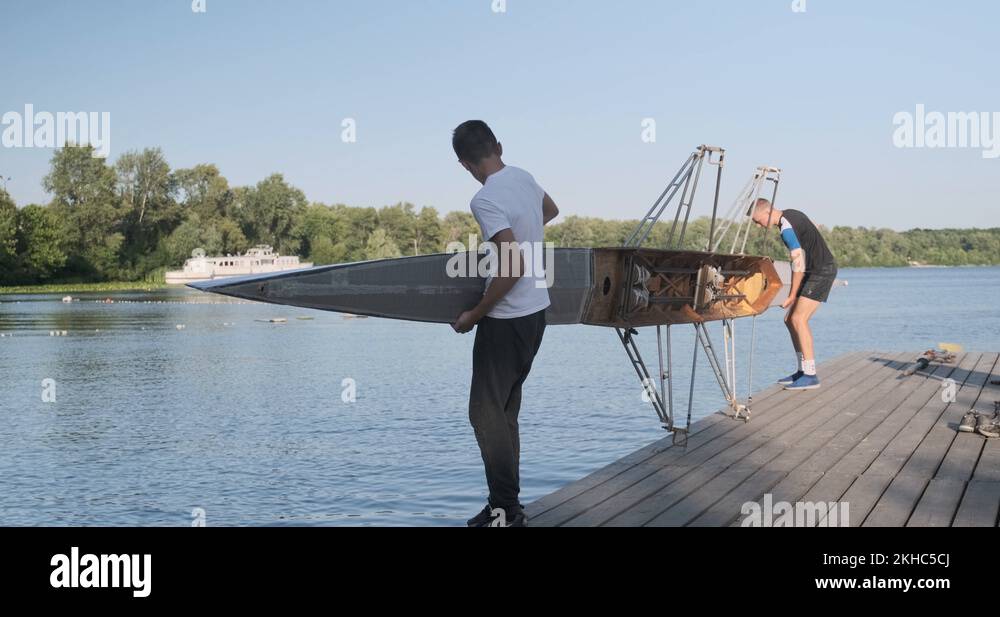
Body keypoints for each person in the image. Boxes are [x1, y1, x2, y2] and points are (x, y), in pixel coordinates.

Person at [450, 120, 560, 527]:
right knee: (505, 411)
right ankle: (504, 505)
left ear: (463, 163)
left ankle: (506, 510)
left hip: (507, 318)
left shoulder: (485, 199)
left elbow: (510, 266)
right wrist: (526, 235)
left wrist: (473, 316)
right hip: (537, 314)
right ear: (498, 145)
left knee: (485, 413)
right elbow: (551, 210)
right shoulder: (523, 178)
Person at [751, 198, 838, 391]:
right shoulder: (791, 213)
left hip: (822, 271)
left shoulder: (786, 228)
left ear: (767, 212)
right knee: (789, 319)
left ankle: (810, 374)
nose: (758, 226)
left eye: (757, 221)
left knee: (799, 319)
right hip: (814, 270)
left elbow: (797, 264)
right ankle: (801, 370)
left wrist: (791, 294)